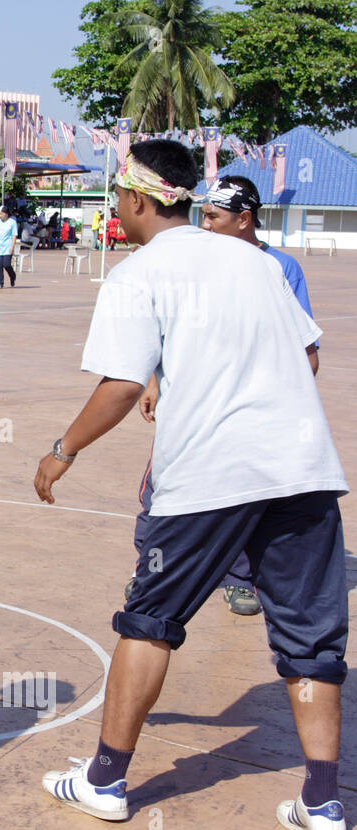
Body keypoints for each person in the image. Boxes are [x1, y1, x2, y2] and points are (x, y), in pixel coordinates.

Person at [35, 140, 349, 830]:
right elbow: (307, 355)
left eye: (117, 196)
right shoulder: (259, 262)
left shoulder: (140, 273)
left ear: (139, 199)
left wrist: (64, 450)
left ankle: (106, 781)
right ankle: (325, 804)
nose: (115, 209)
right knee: (311, 640)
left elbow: (119, 385)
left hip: (210, 476)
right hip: (302, 467)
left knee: (148, 619)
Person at [125, 174, 321, 618]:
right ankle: (152, 571)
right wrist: (155, 382)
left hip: (250, 421)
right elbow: (171, 335)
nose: (206, 225)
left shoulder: (279, 268)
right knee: (160, 495)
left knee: (245, 501)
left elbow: (305, 355)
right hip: (193, 416)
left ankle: (237, 580)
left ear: (245, 219)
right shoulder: (194, 261)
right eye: (203, 215)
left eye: (213, 217)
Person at [0, 207, 17, 289]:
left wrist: (12, 247)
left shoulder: (12, 222)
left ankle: (12, 275)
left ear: (6, 214)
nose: (0, 215)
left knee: (6, 264)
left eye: (1, 214)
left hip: (7, 247)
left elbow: (14, 236)